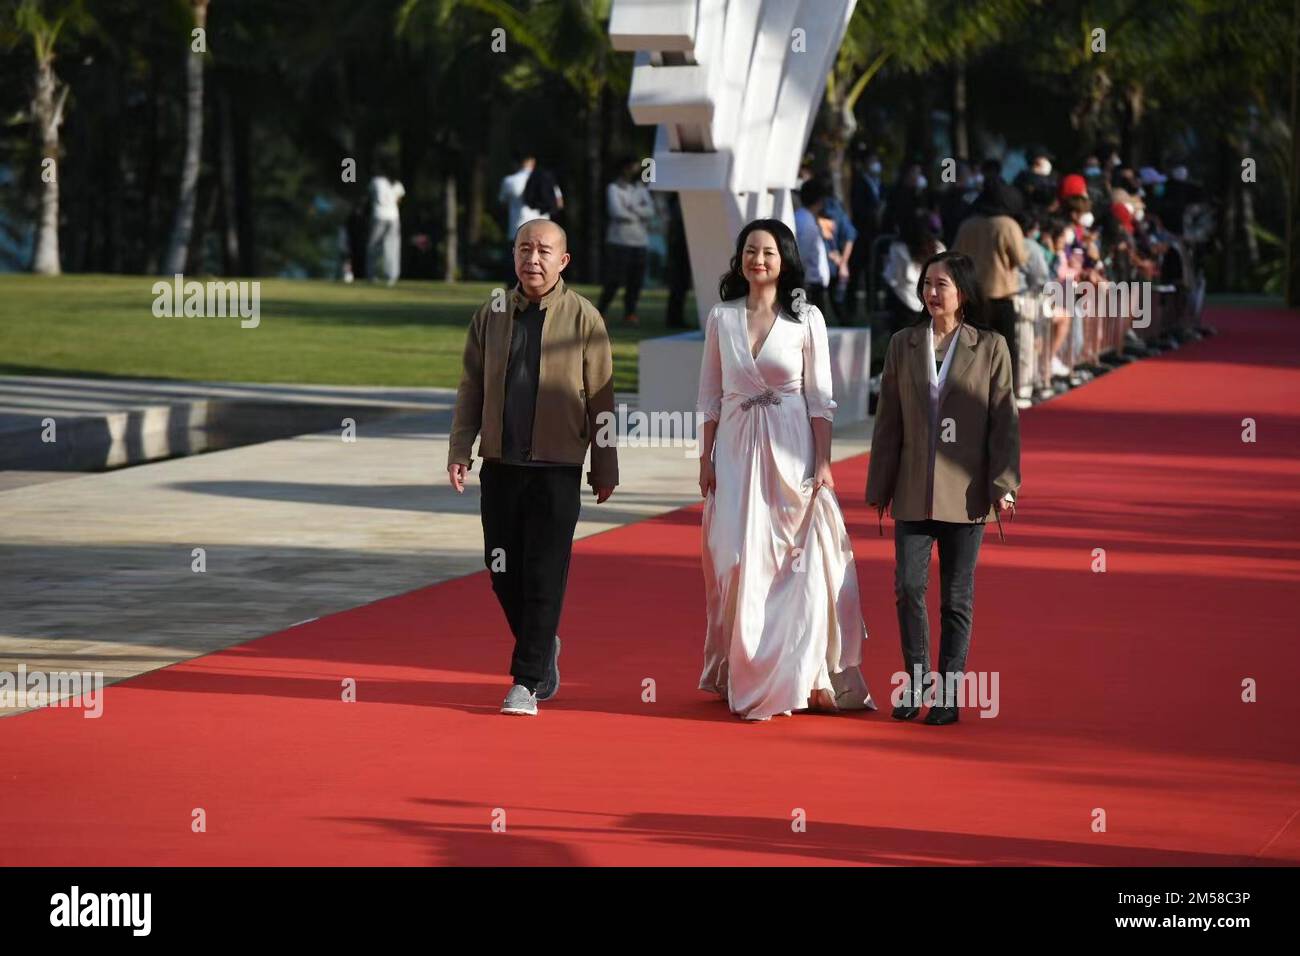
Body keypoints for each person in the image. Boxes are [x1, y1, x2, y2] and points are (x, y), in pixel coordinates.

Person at [695, 219, 875, 722]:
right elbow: (709, 397)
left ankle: (797, 675)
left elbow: (820, 399)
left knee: (789, 563)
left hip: (791, 451)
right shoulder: (721, 317)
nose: (759, 260)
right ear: (740, 259)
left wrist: (823, 463)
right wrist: (706, 458)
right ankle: (741, 667)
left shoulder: (806, 319)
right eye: (750, 251)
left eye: (769, 253)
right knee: (733, 558)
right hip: (733, 451)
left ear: (785, 260)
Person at [447, 219, 619, 717]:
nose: (533, 259)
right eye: (525, 248)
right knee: (501, 568)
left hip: (557, 466)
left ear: (563, 261)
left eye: (544, 250)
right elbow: (471, 387)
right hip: (500, 463)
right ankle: (543, 645)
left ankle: (526, 680)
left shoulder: (584, 317)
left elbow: (602, 399)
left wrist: (604, 466)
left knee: (544, 572)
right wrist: (461, 449)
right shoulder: (492, 312)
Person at [865, 251, 1021, 725]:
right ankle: (915, 685)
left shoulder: (990, 347)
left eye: (943, 285)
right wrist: (879, 484)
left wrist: (1004, 484)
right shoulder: (902, 344)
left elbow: (1004, 422)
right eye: (928, 283)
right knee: (908, 588)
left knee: (956, 598)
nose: (932, 293)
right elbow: (888, 420)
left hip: (967, 492)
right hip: (913, 488)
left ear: (964, 293)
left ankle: (949, 696)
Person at [952, 178, 1027, 395]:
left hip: (972, 295)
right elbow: (1020, 258)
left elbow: (955, 256)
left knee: (972, 349)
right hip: (1002, 295)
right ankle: (1002, 394)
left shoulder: (967, 225)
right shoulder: (1007, 225)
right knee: (1004, 349)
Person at [596, 157, 656, 325]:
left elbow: (650, 211)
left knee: (635, 281)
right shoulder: (613, 188)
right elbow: (617, 212)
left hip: (640, 241)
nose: (633, 171)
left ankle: (630, 313)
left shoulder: (640, 188)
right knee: (614, 279)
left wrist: (633, 208)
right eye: (631, 167)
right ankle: (600, 311)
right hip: (619, 241)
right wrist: (638, 213)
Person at [883, 210, 944, 335]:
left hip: (904, 303)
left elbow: (895, 277)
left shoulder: (898, 249)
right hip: (932, 304)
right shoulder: (939, 248)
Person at [793, 178, 831, 315]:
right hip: (809, 285)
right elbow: (802, 255)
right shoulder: (807, 224)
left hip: (808, 283)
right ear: (820, 201)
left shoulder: (800, 218)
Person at [367, 169, 405, 285]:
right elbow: (399, 199)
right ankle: (392, 276)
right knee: (392, 247)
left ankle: (372, 274)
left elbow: (370, 195)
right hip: (393, 217)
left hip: (379, 215)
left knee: (373, 246)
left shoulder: (376, 181)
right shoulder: (397, 184)